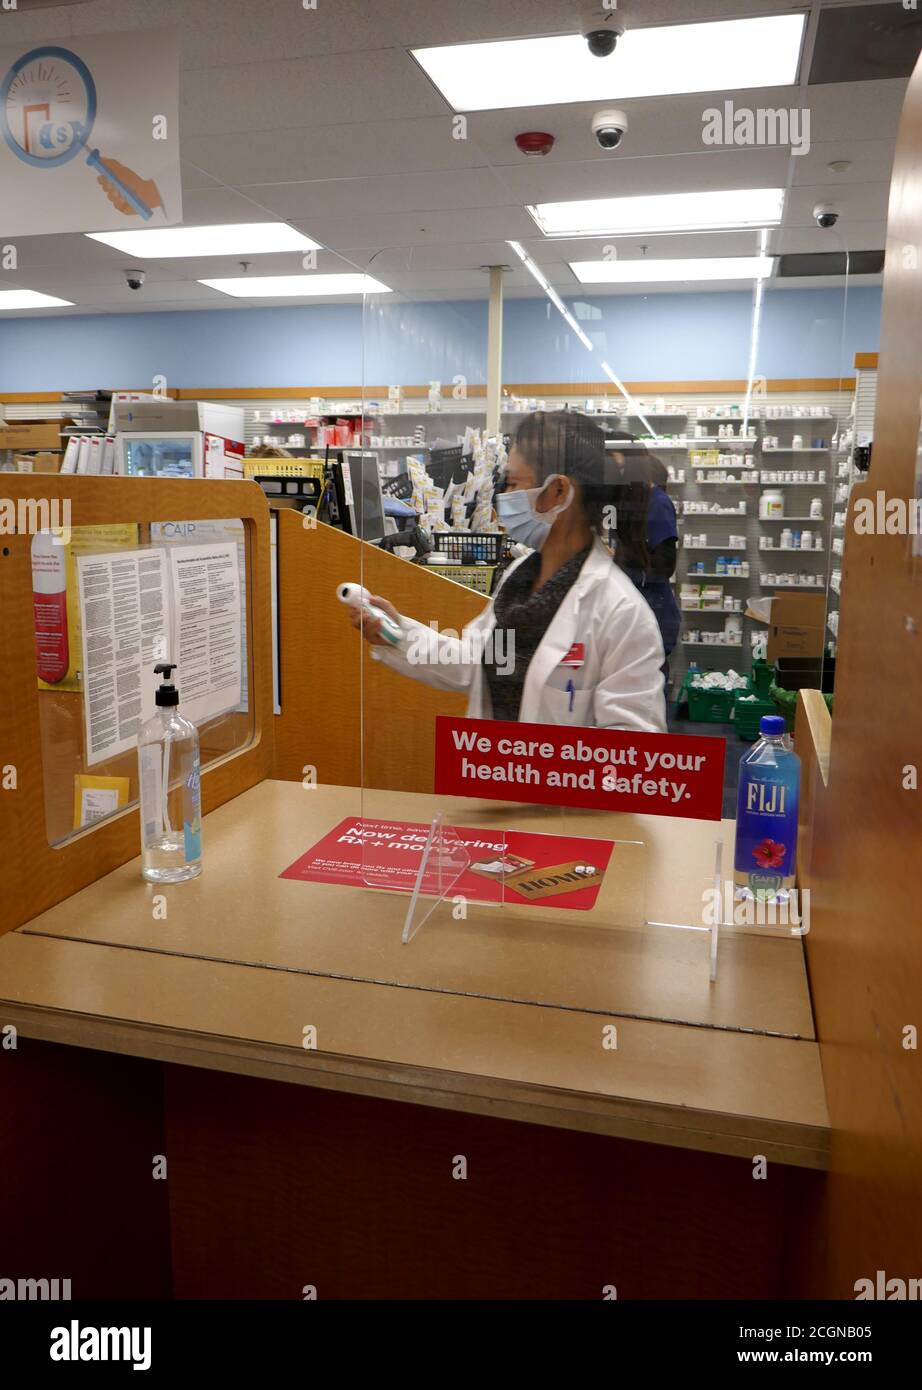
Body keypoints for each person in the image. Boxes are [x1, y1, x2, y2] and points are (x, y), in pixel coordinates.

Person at [347, 411, 666, 732]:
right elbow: (474, 663)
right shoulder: (521, 577)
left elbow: (634, 752)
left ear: (558, 491)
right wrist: (397, 635)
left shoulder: (622, 613)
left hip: (544, 780)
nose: (504, 495)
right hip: (494, 774)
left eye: (514, 482)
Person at [607, 438, 680, 688]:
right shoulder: (623, 503)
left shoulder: (656, 503)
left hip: (652, 611)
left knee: (646, 692)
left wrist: (619, 563)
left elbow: (664, 564)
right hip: (633, 611)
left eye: (617, 465)